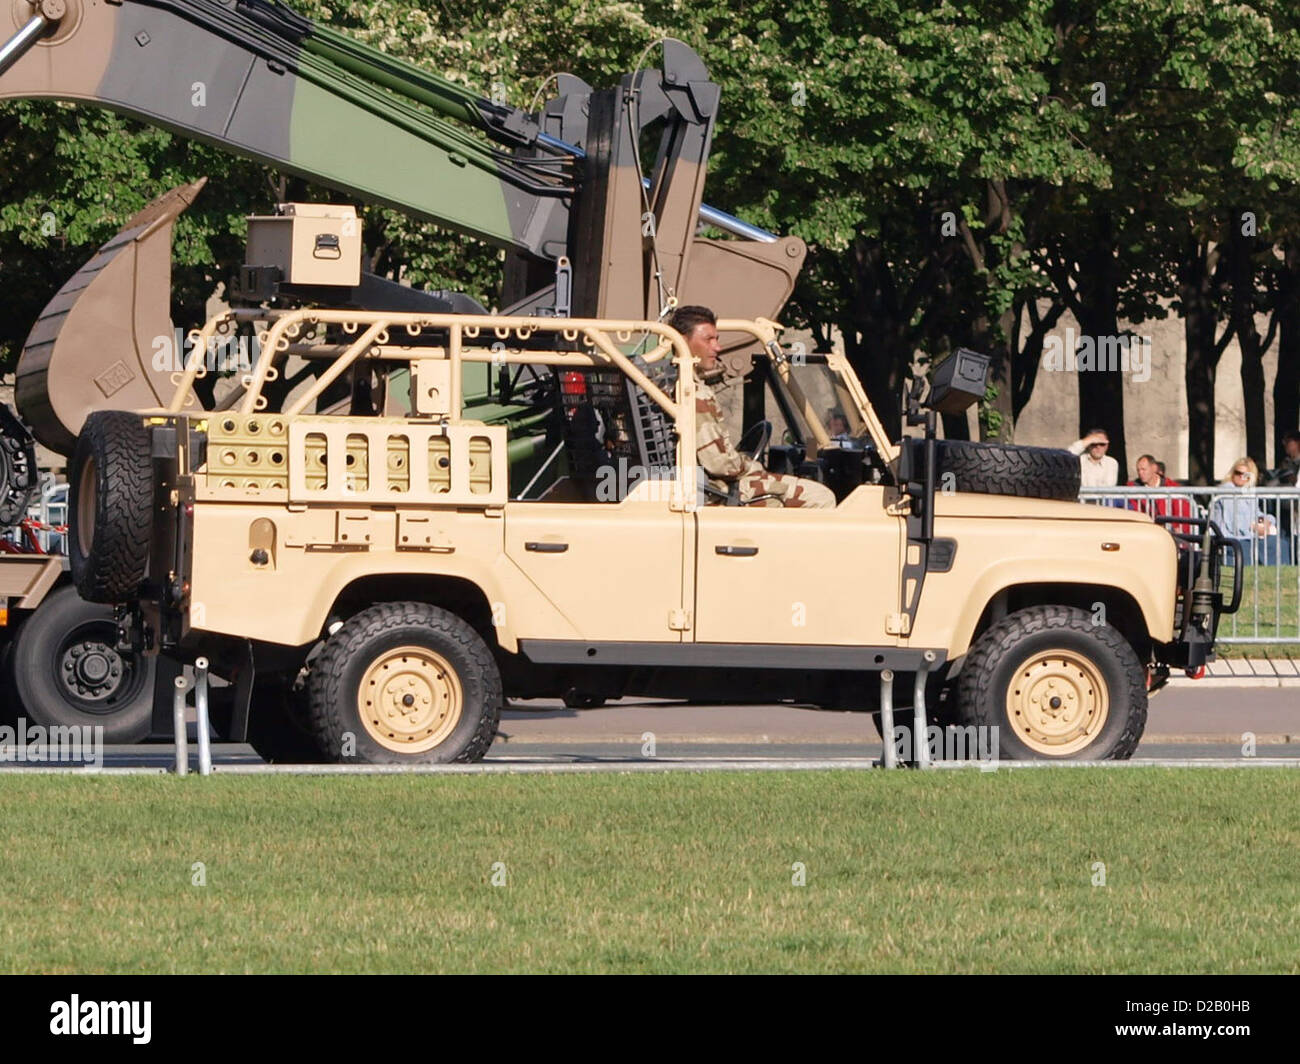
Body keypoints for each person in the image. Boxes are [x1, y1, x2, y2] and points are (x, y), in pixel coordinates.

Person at [670, 305, 835, 509]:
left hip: (709, 486)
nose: (717, 347)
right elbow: (719, 463)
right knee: (820, 497)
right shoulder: (692, 393)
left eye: (717, 339)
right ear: (684, 342)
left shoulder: (677, 384)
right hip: (714, 492)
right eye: (708, 339)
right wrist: (752, 466)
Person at [1210, 457, 1278, 566]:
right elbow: (1233, 523)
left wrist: (1267, 521)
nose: (1241, 477)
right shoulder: (1227, 491)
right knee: (1269, 545)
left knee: (1278, 543)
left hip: (1246, 536)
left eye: (1246, 475)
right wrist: (1254, 528)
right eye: (1238, 473)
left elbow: (1257, 513)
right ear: (1232, 473)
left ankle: (1277, 576)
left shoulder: (1246, 492)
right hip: (1229, 537)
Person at [1126, 453, 1194, 534]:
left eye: (1143, 469)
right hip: (1144, 531)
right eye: (1138, 470)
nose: (1140, 473)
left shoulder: (1172, 487)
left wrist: (1177, 528)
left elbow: (1183, 512)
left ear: (1154, 468)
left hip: (1170, 532)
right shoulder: (1132, 489)